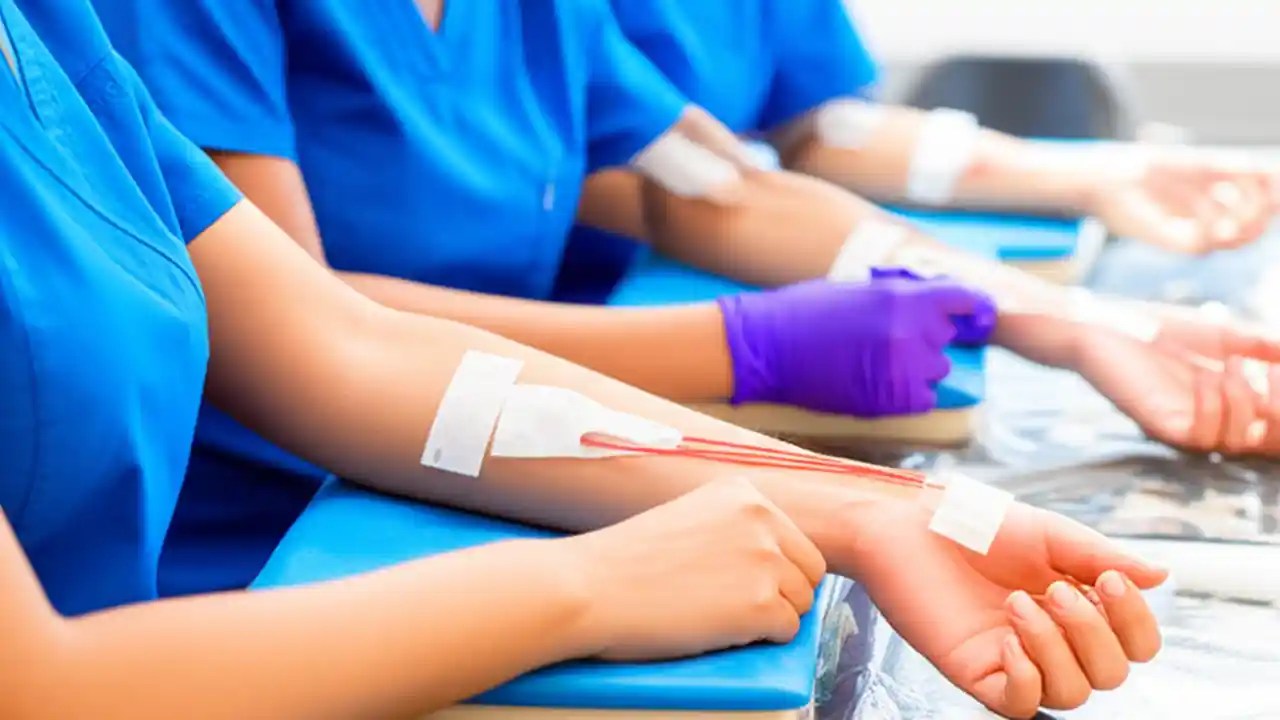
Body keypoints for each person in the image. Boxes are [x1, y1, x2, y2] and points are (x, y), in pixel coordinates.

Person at [0, 1, 1168, 717]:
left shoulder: (46, 30)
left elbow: (339, 347)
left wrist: (880, 511)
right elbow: (36, 690)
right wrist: (596, 583)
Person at [92, 0, 1005, 599]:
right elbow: (312, 326)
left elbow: (706, 184)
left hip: (469, 482)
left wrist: (1053, 319)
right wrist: (746, 345)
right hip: (261, 539)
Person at [559, 0, 1280, 458]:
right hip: (559, 362)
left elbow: (721, 184)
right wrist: (745, 346)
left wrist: (1068, 313)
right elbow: (649, 194)